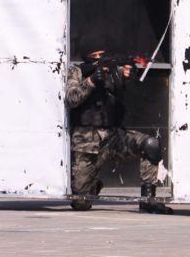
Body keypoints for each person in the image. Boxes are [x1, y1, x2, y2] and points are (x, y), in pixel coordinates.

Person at [66, 38, 172, 214]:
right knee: (81, 203)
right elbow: (71, 99)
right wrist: (91, 81)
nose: (99, 58)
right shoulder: (76, 72)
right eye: (95, 55)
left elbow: (123, 90)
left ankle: (148, 200)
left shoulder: (113, 71)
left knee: (151, 144)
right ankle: (92, 186)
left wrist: (127, 75)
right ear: (87, 56)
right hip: (86, 142)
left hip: (113, 136)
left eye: (102, 55)